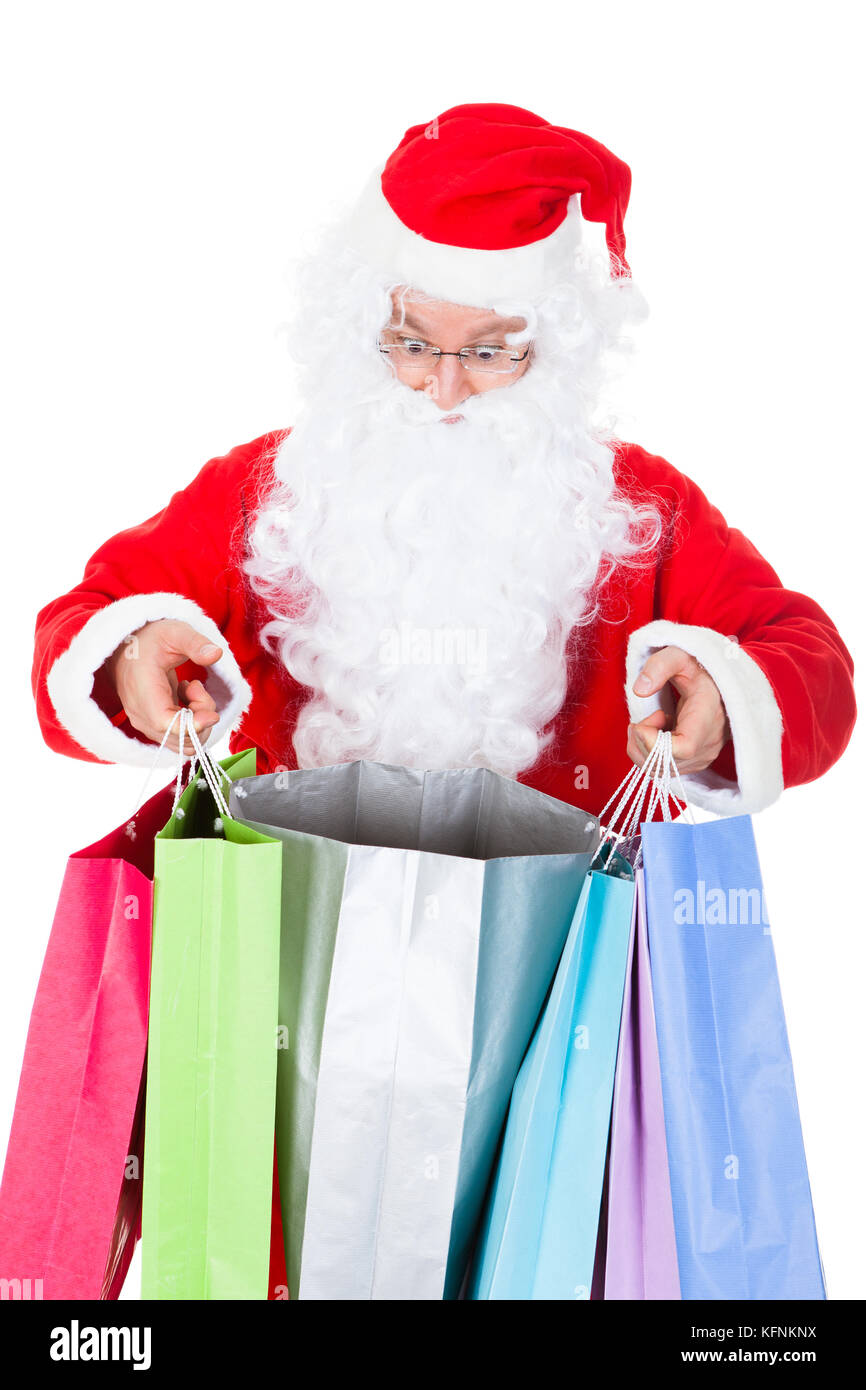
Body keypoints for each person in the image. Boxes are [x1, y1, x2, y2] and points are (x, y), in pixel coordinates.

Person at [31, 102, 856, 819]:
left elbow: (812, 661)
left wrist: (721, 696)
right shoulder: (267, 492)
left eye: (494, 353)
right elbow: (85, 621)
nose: (448, 391)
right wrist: (131, 653)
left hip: (562, 959)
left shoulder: (638, 504)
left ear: (554, 351)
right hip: (294, 947)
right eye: (414, 344)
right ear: (362, 332)